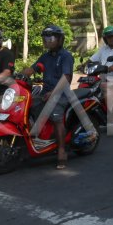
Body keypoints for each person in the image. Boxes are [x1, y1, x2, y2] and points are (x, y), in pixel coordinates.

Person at [20, 25, 76, 169]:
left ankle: (62, 150)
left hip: (62, 93)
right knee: (28, 107)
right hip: (46, 92)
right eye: (45, 38)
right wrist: (20, 74)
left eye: (50, 37)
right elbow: (33, 68)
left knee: (56, 117)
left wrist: (54, 93)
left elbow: (66, 78)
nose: (47, 41)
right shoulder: (45, 56)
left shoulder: (66, 56)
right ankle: (38, 140)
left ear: (59, 39)